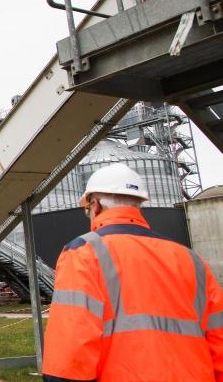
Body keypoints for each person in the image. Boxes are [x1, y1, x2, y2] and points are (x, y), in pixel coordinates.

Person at [42, 163, 223, 381]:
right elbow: (218, 340)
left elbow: (71, 347)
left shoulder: (85, 253)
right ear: (139, 205)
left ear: (95, 205)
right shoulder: (191, 260)